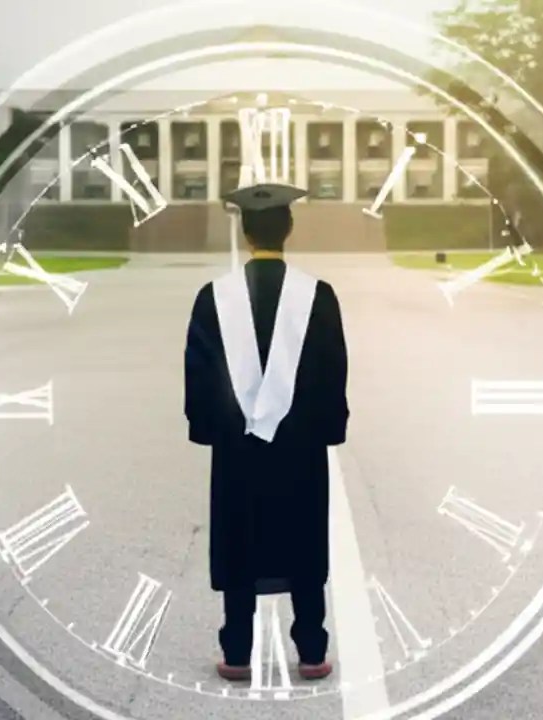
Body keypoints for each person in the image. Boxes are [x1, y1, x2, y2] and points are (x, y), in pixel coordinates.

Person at [183, 183, 350, 683]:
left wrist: (212, 429)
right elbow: (332, 369)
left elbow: (199, 370)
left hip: (238, 448)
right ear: (289, 228)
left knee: (240, 538)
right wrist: (325, 428)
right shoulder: (318, 296)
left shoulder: (214, 298)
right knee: (302, 537)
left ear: (244, 230)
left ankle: (236, 653)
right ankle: (312, 651)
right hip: (299, 446)